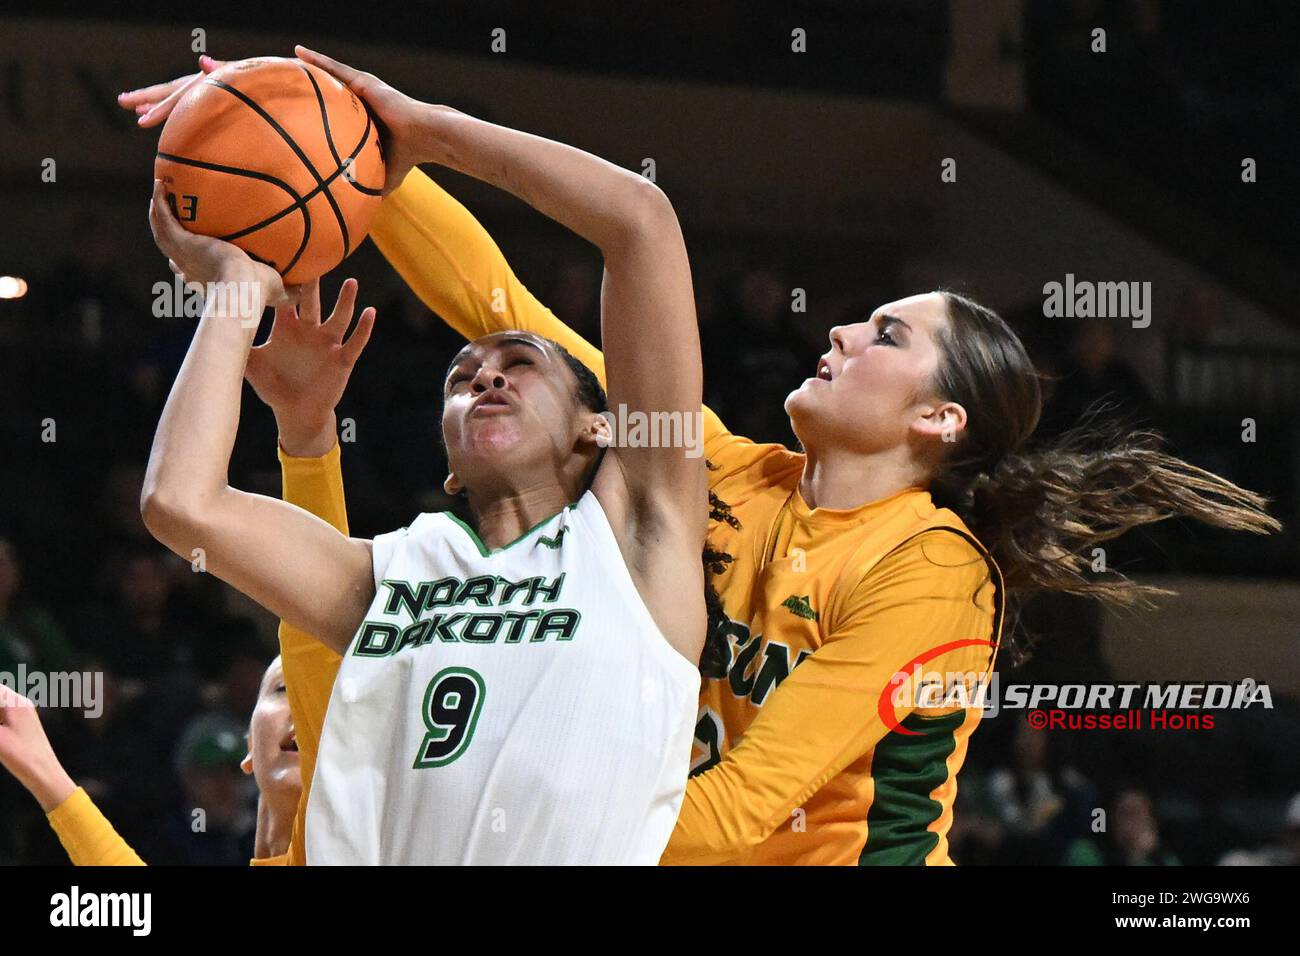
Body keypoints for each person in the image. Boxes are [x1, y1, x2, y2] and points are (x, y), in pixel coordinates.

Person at [124, 52, 1280, 867]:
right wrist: (331, 134)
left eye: (886, 334)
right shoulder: (701, 465)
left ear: (941, 421)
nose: (838, 331)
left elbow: (747, 811)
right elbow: (500, 305)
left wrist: (521, 834)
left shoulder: (933, 571)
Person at [136, 49, 707, 865]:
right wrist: (233, 296)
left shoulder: (639, 538)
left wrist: (428, 133)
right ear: (448, 463)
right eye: (462, 379)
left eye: (520, 367)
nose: (485, 381)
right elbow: (180, 505)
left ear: (596, 429)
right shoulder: (393, 574)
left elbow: (640, 221)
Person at [0, 657, 301, 865]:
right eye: (284, 688)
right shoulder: (173, 837)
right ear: (249, 745)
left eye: (319, 699)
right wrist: (41, 772)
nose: (302, 710)